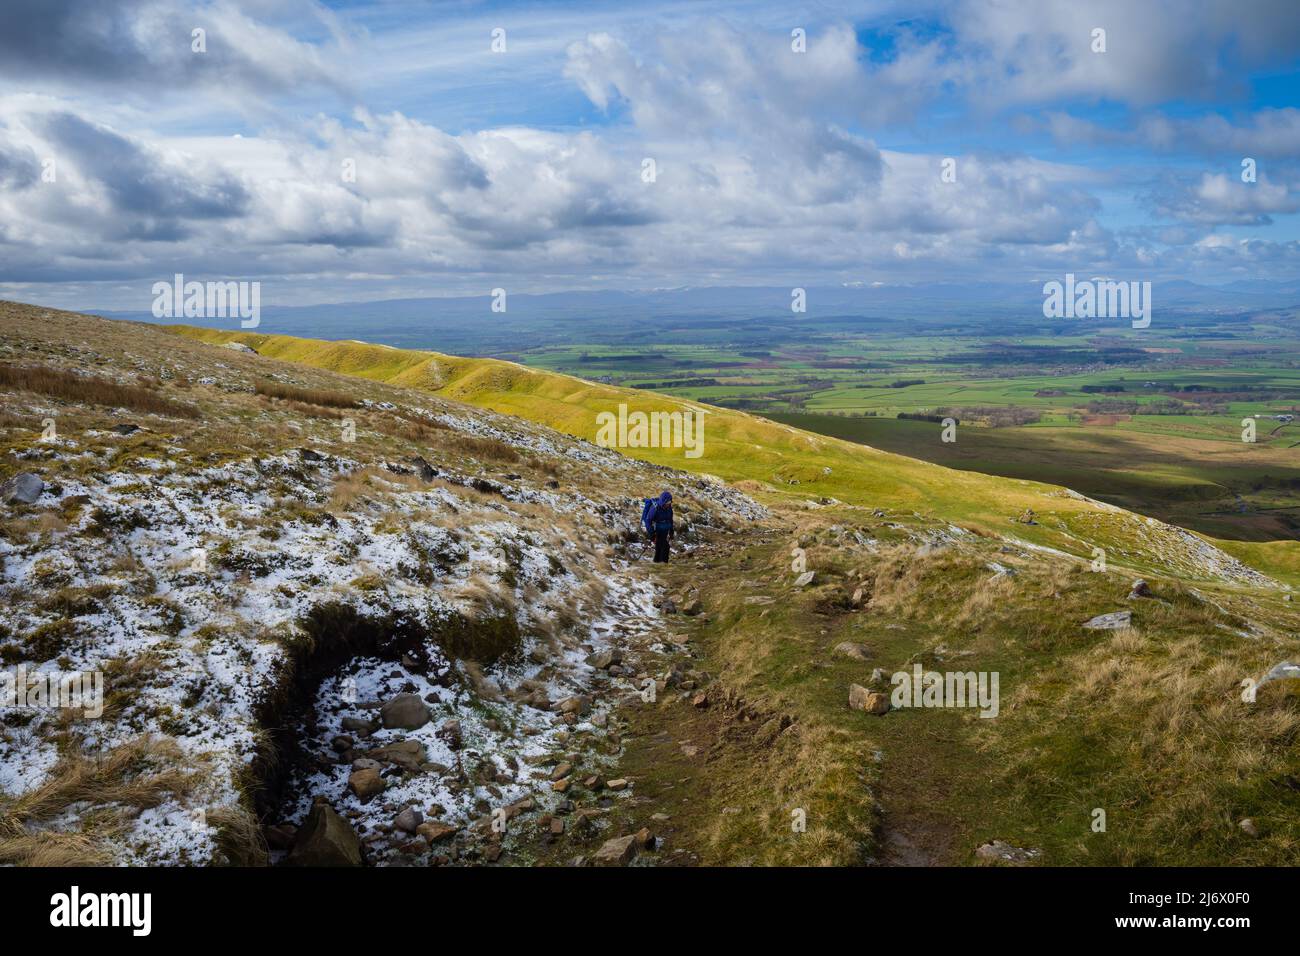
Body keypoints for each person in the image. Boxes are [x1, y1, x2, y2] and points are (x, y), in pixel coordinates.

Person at [648, 490, 674, 563]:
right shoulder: (655, 508)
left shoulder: (669, 509)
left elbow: (670, 520)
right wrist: (651, 533)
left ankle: (657, 563)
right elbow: (648, 521)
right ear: (663, 501)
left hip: (665, 531)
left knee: (659, 548)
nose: (668, 504)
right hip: (657, 532)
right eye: (667, 502)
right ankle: (663, 564)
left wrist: (671, 531)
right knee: (665, 547)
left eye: (670, 502)